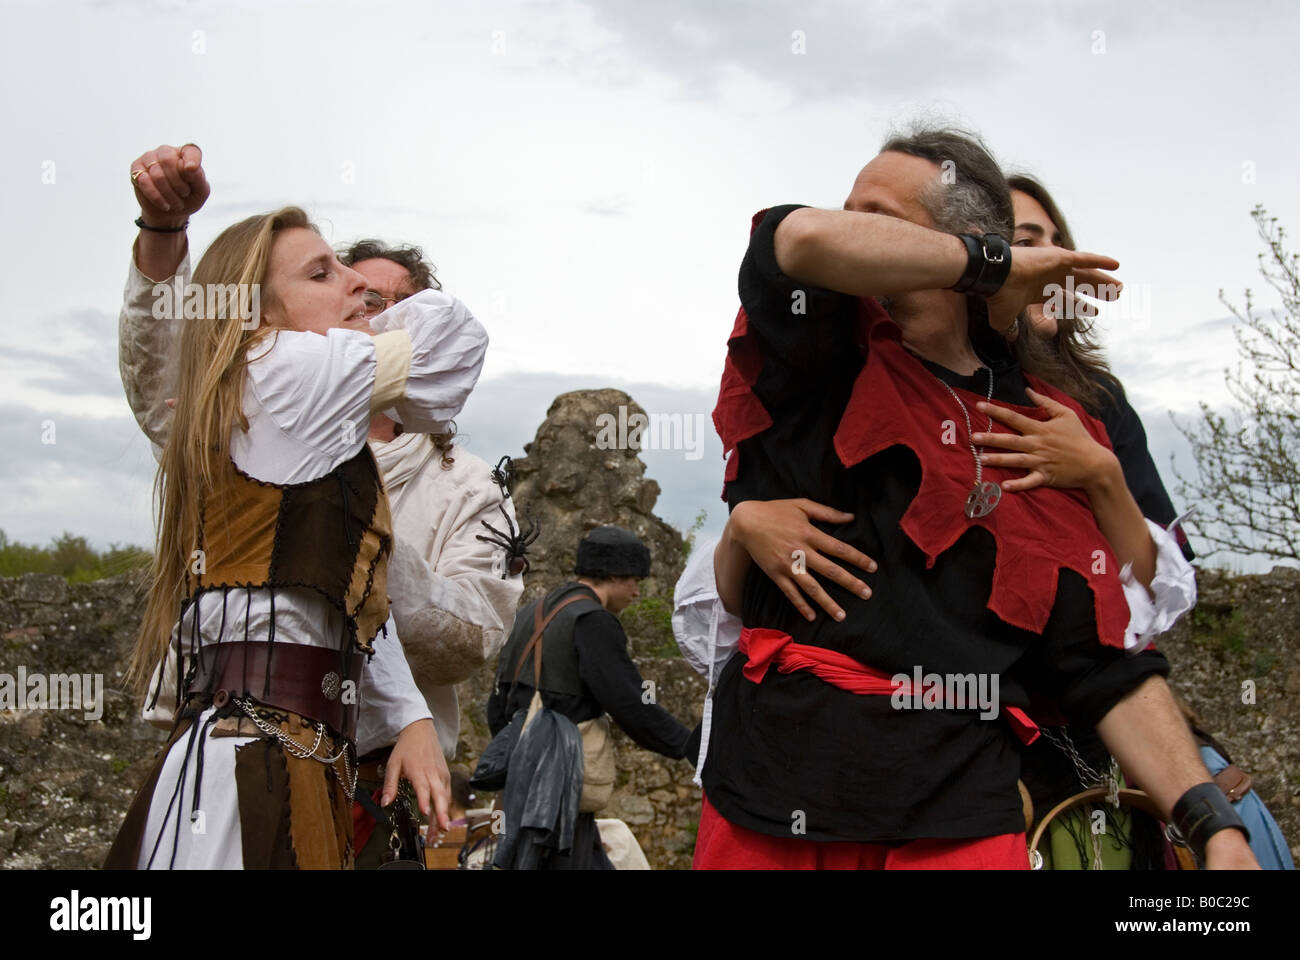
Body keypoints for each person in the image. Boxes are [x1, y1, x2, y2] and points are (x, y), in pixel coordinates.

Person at [700, 125, 1257, 869]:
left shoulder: (1047, 432)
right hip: (774, 793)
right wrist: (992, 264)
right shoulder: (821, 352)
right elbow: (792, 239)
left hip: (958, 810)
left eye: (881, 216)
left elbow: (1106, 665)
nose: (850, 223)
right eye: (851, 207)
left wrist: (1216, 828)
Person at [115, 143, 524, 867]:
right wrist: (163, 241)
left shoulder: (454, 483)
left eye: (386, 299)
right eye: (327, 274)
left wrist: (410, 716)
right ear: (262, 314)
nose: (363, 294)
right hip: (253, 746)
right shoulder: (261, 381)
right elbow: (164, 375)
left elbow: (397, 611)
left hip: (342, 762)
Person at [485, 526, 694, 869]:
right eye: (634, 581)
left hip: (519, 788)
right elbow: (631, 703)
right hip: (558, 796)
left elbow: (497, 705)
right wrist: (690, 744)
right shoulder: (593, 620)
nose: (637, 592)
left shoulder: (530, 614)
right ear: (614, 574)